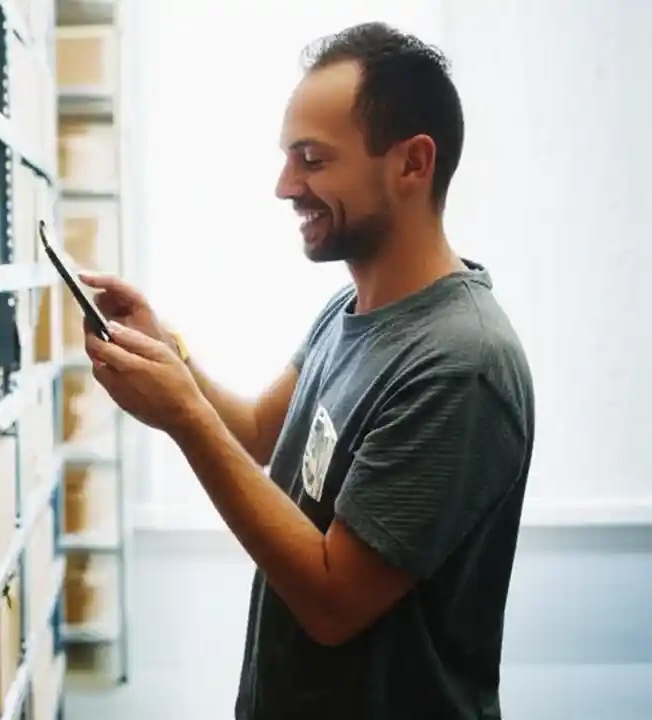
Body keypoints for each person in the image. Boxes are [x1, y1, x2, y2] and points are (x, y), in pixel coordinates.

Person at [78, 21, 535, 720]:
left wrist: (182, 416)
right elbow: (265, 431)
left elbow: (332, 600)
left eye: (313, 160)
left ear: (413, 164)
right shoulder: (350, 308)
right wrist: (174, 358)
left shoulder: (460, 364)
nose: (285, 186)